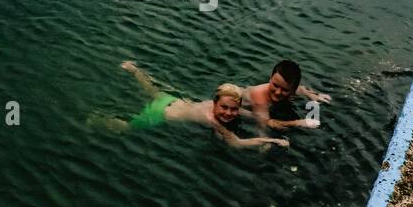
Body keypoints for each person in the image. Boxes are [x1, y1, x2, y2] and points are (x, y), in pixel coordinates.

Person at [101, 61, 290, 150]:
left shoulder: (229, 105)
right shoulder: (213, 120)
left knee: (151, 90)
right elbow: (236, 143)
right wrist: (270, 141)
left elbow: (256, 116)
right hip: (161, 113)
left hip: (171, 100)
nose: (229, 113)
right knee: (127, 127)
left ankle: (133, 69)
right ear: (215, 103)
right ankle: (96, 120)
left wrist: (269, 123)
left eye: (233, 109)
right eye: (224, 108)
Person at [241, 60, 330, 131]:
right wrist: (298, 122)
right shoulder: (259, 97)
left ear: (292, 90)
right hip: (237, 103)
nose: (278, 92)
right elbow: (266, 123)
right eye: (275, 85)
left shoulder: (292, 89)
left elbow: (301, 89)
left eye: (285, 90)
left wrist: (313, 95)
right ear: (270, 79)